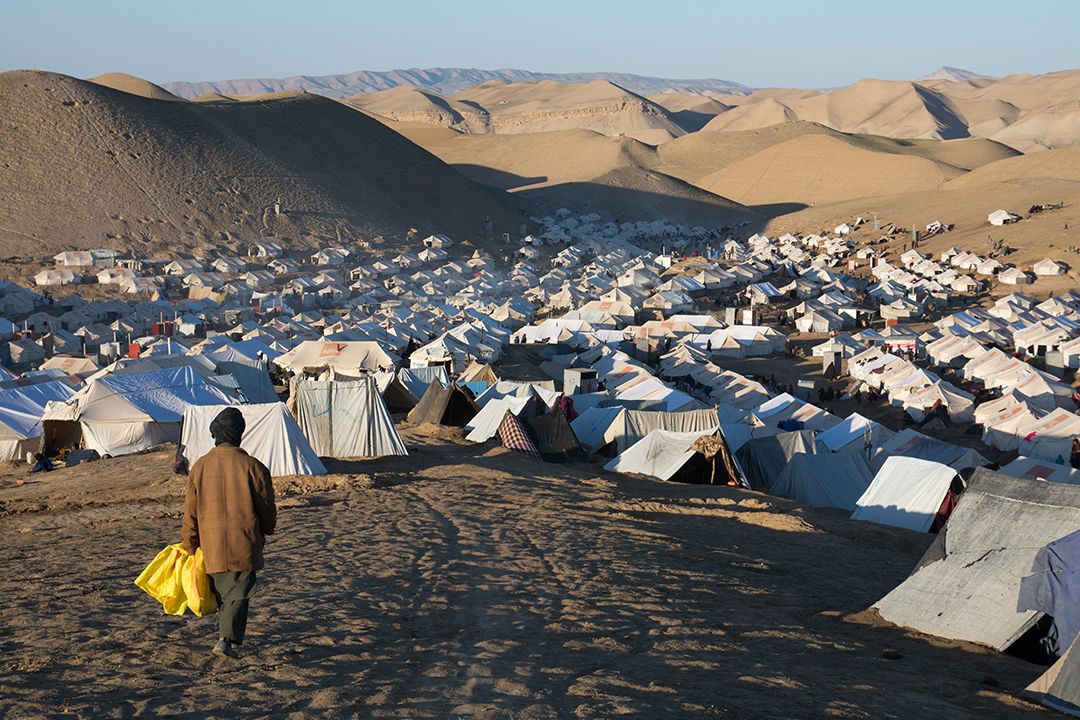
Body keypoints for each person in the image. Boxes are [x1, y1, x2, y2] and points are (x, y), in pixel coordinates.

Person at [181, 408, 276, 659]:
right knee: (237, 593)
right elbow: (266, 506)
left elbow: (190, 510)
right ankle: (225, 639)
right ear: (239, 434)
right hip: (242, 541)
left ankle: (225, 634)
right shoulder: (253, 466)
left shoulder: (199, 467)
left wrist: (189, 542)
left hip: (210, 544)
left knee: (225, 589)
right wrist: (266, 529)